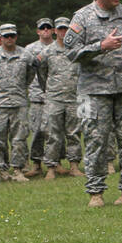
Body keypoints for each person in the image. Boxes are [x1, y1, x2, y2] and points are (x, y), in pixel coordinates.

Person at [64, 0, 122, 207]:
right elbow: (71, 52)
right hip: (91, 93)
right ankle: (95, 193)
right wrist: (101, 46)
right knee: (95, 141)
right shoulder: (82, 17)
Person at [0, 23, 39, 182]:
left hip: (18, 103)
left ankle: (18, 170)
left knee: (19, 139)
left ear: (16, 37)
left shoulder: (26, 55)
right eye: (6, 36)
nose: (9, 39)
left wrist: (21, 88)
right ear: (0, 38)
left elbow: (31, 74)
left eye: (12, 36)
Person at [39, 18, 84, 178]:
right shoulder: (47, 52)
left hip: (74, 98)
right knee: (52, 134)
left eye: (66, 29)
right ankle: (51, 168)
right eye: (60, 29)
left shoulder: (78, 51)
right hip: (54, 99)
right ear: (55, 31)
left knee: (74, 133)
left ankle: (74, 166)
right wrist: (51, 90)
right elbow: (41, 74)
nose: (63, 32)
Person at [25, 19, 56, 175]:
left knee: (55, 131)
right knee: (37, 130)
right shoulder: (30, 49)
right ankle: (36, 163)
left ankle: (55, 162)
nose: (45, 30)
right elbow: (26, 71)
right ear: (37, 31)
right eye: (42, 28)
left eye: (48, 28)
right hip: (37, 94)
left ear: (53, 30)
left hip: (55, 94)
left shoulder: (59, 46)